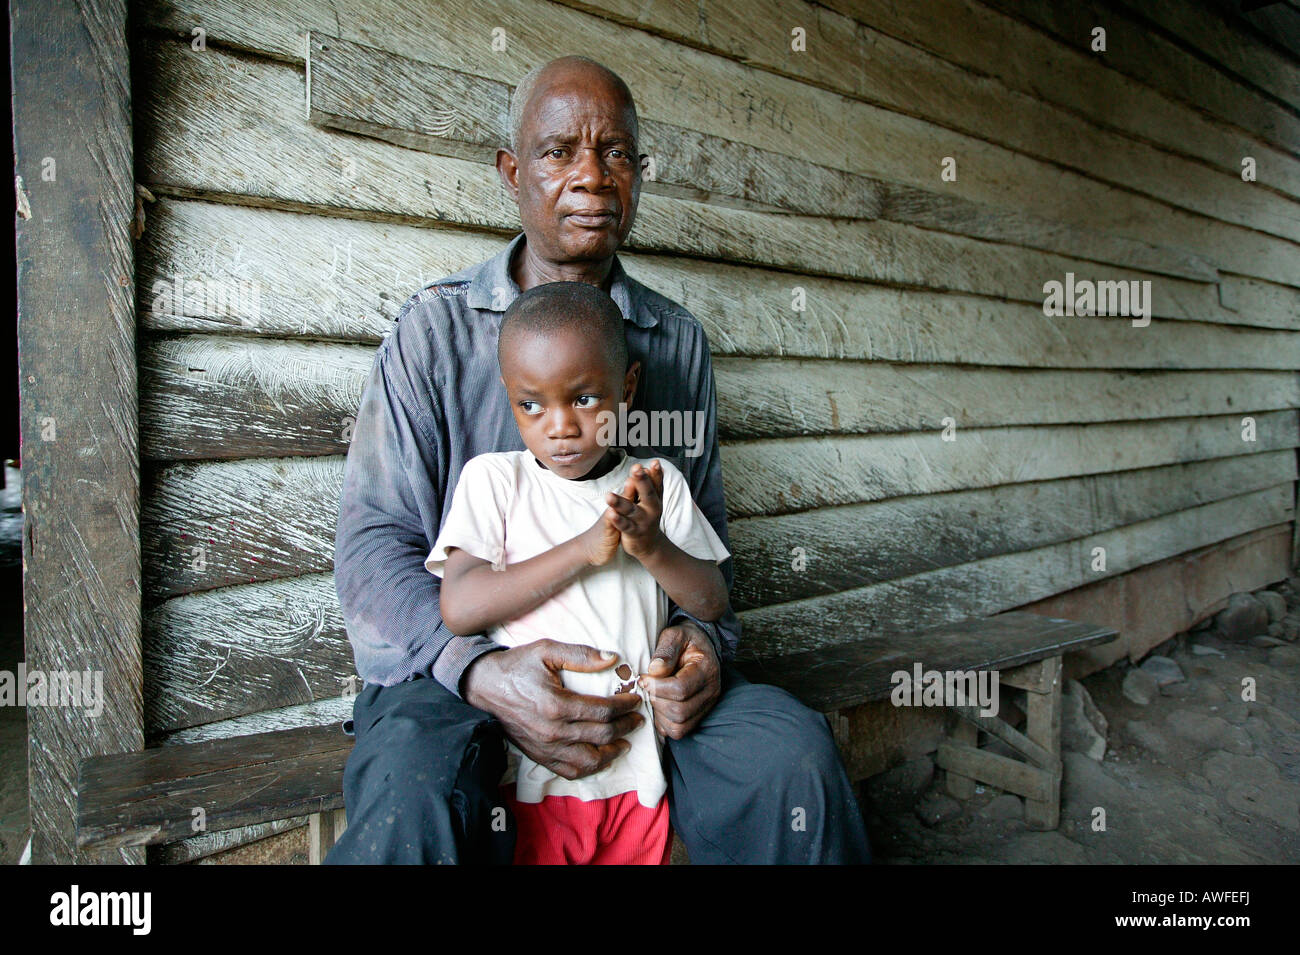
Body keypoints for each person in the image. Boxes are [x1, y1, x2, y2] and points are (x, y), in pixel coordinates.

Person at [325, 54, 871, 864]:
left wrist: (698, 648)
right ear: (513, 173)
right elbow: (373, 553)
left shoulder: (672, 343)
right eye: (559, 152)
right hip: (457, 681)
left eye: (616, 153)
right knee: (412, 791)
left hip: (633, 684)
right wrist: (481, 672)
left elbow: (701, 548)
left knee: (792, 759)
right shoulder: (436, 332)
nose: (591, 176)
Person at [426, 281, 730, 864]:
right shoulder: (495, 481)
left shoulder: (654, 481)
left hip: (638, 770)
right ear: (509, 397)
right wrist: (584, 548)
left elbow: (712, 602)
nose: (559, 426)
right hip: (534, 775)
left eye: (585, 399)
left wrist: (650, 545)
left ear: (628, 390)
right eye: (531, 404)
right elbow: (460, 606)